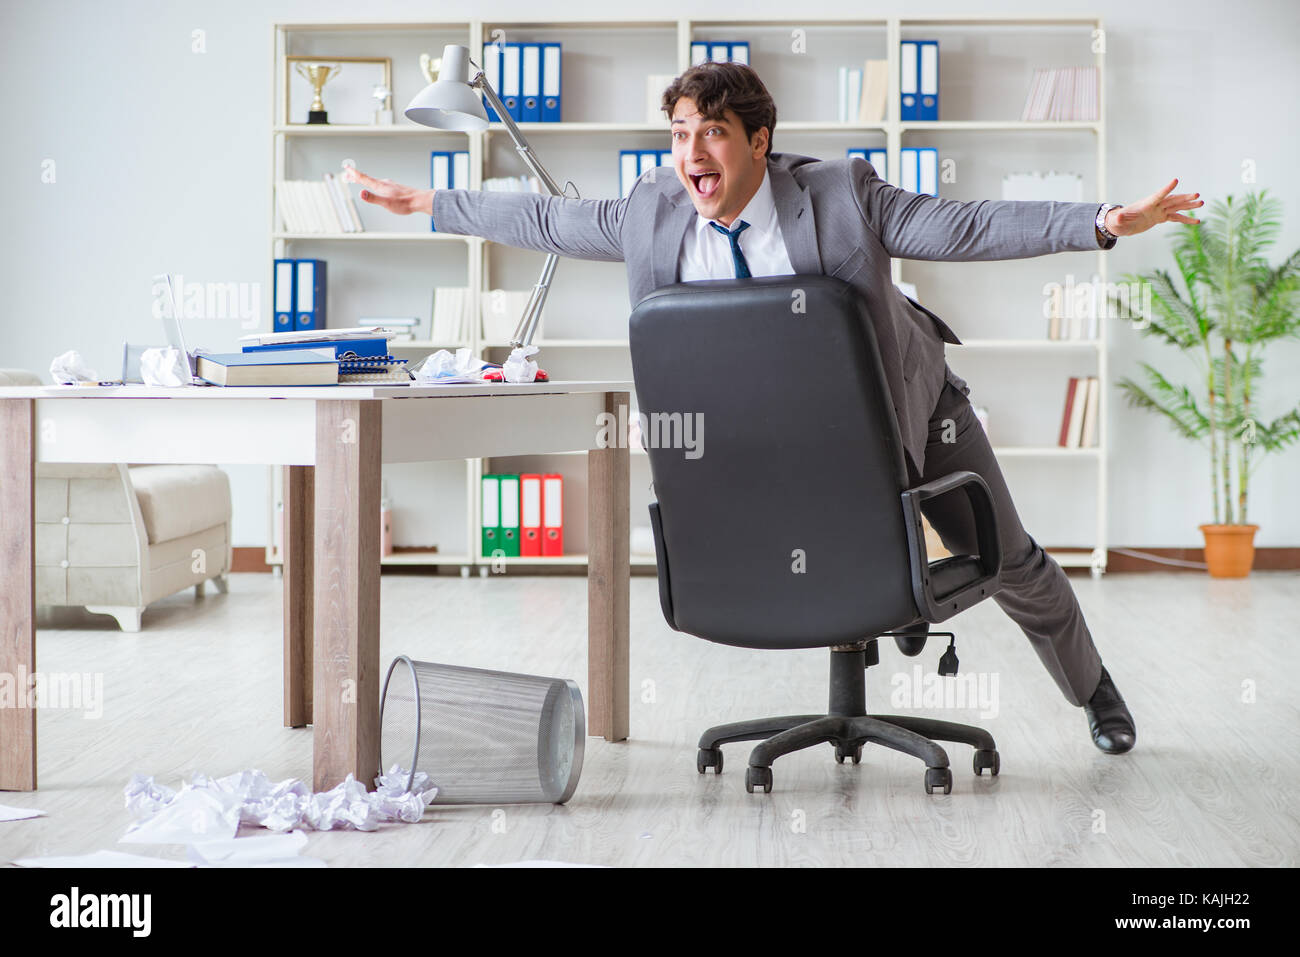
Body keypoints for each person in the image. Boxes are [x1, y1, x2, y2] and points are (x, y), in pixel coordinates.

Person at [345, 62, 1203, 755]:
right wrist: (429, 204)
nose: (691, 154)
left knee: (1006, 553)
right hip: (770, 441)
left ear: (760, 140)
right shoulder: (653, 211)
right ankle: (899, 602)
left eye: (712, 132)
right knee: (833, 554)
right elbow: (551, 218)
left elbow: (965, 226)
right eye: (680, 135)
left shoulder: (842, 194)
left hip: (907, 405)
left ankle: (1093, 689)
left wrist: (1100, 220)